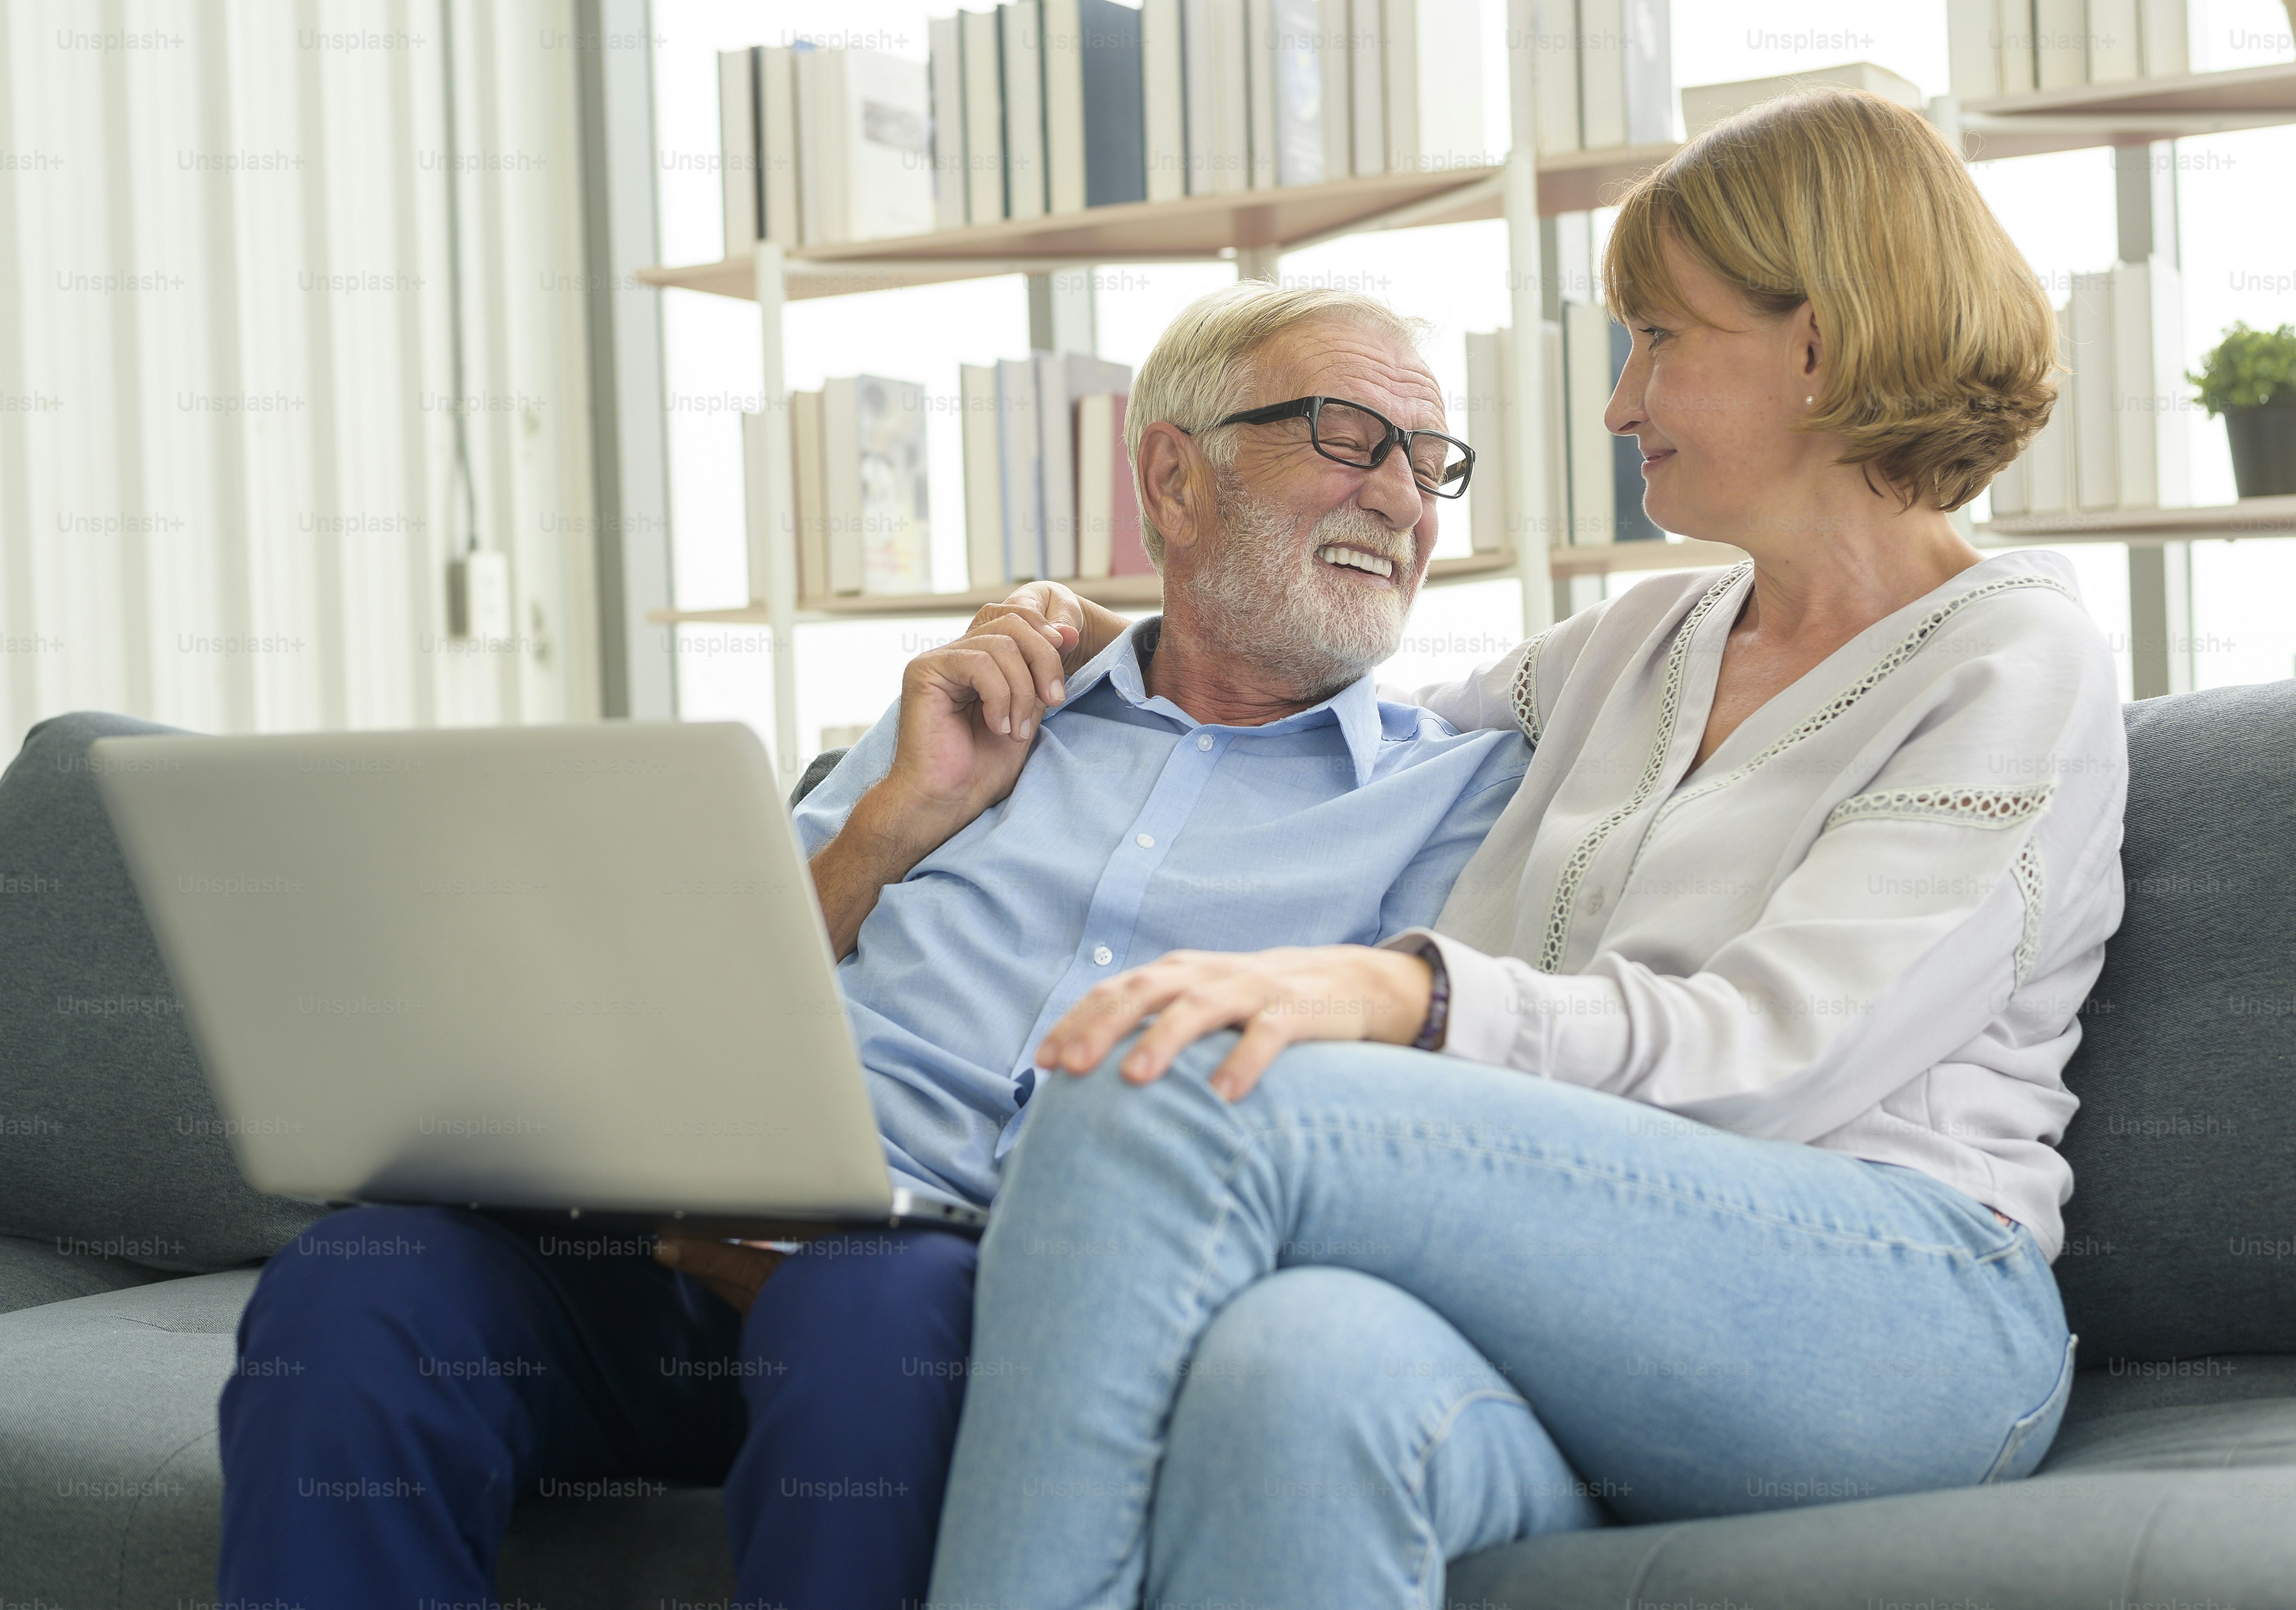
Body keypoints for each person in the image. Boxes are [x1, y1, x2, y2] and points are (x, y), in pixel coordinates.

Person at [926, 87, 2126, 1609]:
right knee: (1291, 1372)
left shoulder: (2011, 662)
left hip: (1898, 1309)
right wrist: (1092, 644)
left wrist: (1405, 992)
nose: (1621, 403)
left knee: (1158, 1087)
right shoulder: (1640, 641)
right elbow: (1324, 714)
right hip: (1601, 1289)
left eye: (1658, 338)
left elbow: (1774, 1049)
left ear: (1816, 349)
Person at [212, 283, 1531, 1609]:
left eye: (1431, 462)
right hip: (680, 1251)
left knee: (860, 1314)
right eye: (1348, 435)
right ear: (1173, 479)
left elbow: (1376, 1142)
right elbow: (683, 1027)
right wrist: (891, 822)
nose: (1402, 499)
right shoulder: (973, 711)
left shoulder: (1452, 796)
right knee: (356, 1293)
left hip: (950, 1295)